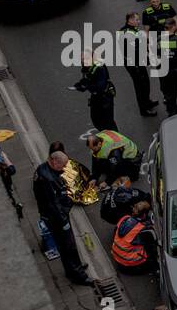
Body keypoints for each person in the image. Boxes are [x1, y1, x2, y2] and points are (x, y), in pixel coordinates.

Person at [33, 150, 92, 285]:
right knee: (68, 246)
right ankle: (78, 276)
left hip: (56, 215)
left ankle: (73, 268)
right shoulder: (47, 179)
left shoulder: (44, 169)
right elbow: (53, 204)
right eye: (63, 165)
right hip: (56, 219)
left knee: (67, 245)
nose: (65, 168)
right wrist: (64, 220)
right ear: (54, 162)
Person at [118, 11, 157, 116]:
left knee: (146, 83)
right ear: (130, 20)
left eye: (139, 19)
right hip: (133, 64)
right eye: (136, 20)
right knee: (140, 86)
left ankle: (147, 102)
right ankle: (143, 110)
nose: (139, 22)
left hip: (139, 62)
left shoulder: (133, 30)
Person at [72, 50, 117, 131]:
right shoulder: (87, 67)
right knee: (96, 119)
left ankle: (116, 140)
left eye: (84, 59)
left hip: (105, 97)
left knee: (107, 122)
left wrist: (87, 86)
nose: (82, 62)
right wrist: (80, 85)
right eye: (81, 60)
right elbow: (87, 79)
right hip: (96, 96)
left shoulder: (100, 68)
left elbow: (100, 86)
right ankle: (105, 135)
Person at [110, 200, 158, 274]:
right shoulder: (142, 228)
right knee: (152, 251)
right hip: (129, 265)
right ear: (145, 215)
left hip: (117, 257)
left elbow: (115, 233)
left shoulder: (125, 218)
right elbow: (153, 240)